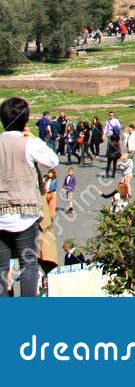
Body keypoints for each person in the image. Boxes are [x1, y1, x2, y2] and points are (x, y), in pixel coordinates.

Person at [0, 97, 59, 298]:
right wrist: (34, 137)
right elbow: (53, 160)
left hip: (0, 214)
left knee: (1, 269)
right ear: (25, 120)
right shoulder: (29, 143)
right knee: (29, 265)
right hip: (25, 214)